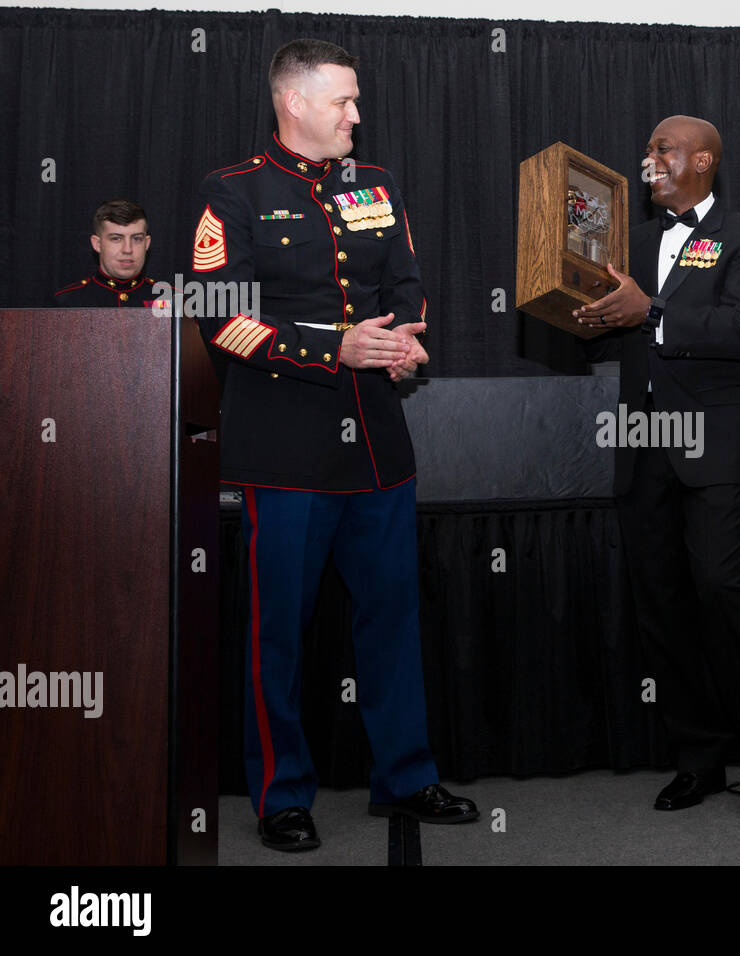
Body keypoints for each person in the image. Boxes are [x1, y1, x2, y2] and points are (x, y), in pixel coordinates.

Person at [190, 38, 476, 851]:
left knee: (392, 617)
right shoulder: (233, 192)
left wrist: (406, 336)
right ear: (294, 104)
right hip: (283, 448)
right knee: (278, 628)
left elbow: (404, 282)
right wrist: (332, 348)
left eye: (357, 100)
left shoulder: (377, 185)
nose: (357, 114)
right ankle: (281, 792)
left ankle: (407, 778)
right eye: (343, 101)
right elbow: (224, 319)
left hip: (377, 446)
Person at [574, 115, 740, 815]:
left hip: (713, 449)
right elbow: (609, 335)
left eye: (662, 149)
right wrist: (588, 315)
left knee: (727, 592)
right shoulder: (632, 243)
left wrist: (651, 312)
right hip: (642, 447)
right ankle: (698, 757)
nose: (650, 159)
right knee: (662, 605)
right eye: (647, 149)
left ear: (703, 159)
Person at [53, 199, 163, 307]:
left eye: (137, 239)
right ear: (97, 244)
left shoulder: (172, 299)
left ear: (147, 243)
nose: (128, 249)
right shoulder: (68, 302)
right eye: (116, 239)